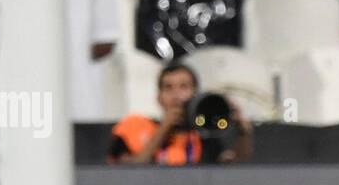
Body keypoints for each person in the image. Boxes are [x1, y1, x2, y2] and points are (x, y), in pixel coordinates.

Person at [108, 61, 252, 165]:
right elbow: (126, 174)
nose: (176, 95)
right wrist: (164, 128)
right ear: (158, 97)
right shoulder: (136, 126)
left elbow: (233, 171)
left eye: (184, 87)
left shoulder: (205, 134)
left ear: (195, 93)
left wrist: (243, 132)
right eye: (168, 87)